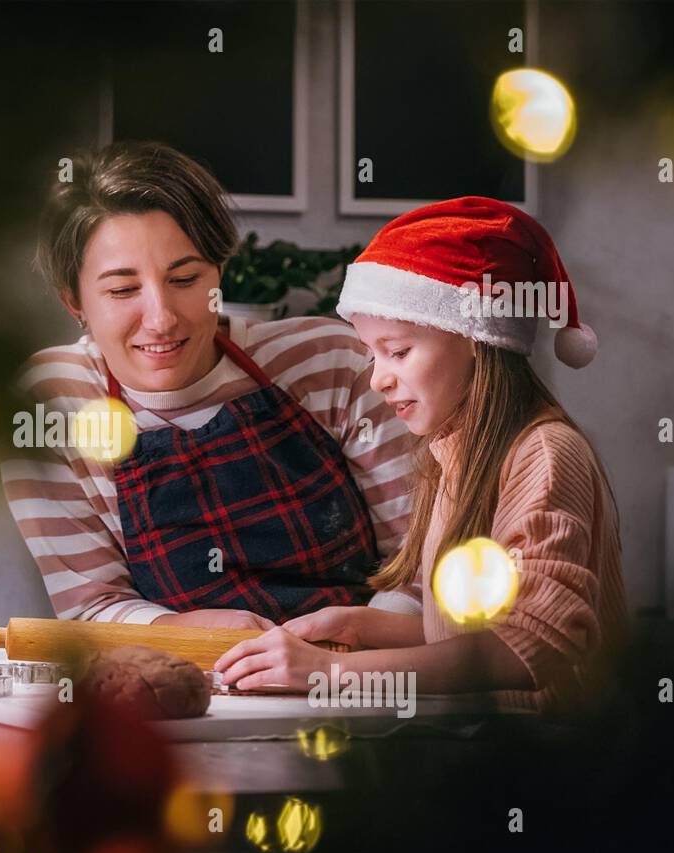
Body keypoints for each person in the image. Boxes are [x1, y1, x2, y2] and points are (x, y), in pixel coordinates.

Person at [215, 196, 628, 713]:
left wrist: (328, 673)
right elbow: (456, 636)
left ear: (477, 339)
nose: (377, 377)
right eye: (371, 353)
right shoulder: (452, 453)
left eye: (399, 351)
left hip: (560, 764)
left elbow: (529, 647)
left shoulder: (543, 452)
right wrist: (355, 625)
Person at [2, 141, 418, 631]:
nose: (161, 319)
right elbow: (94, 607)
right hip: (190, 687)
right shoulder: (52, 403)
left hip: (355, 674)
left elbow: (417, 561)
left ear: (220, 270)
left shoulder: (328, 361)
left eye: (185, 279)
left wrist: (343, 648)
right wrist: (200, 636)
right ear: (74, 300)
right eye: (122, 290)